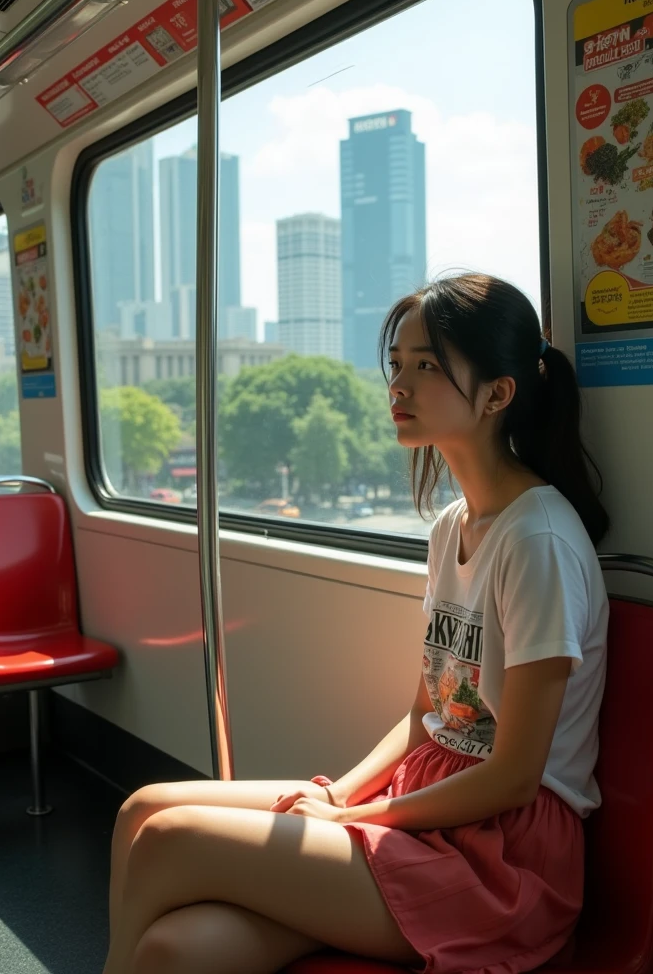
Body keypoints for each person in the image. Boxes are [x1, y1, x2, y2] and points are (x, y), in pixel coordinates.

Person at [103, 273, 610, 974]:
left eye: (426, 366)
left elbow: (515, 778)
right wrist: (339, 791)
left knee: (165, 838)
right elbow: (425, 712)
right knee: (149, 847)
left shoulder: (537, 541)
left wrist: (347, 823)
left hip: (501, 857)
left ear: (499, 393)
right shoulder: (451, 528)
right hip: (429, 800)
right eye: (395, 365)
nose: (397, 386)